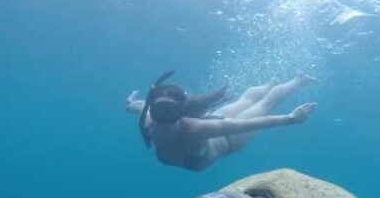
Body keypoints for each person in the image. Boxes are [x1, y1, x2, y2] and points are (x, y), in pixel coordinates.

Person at [126, 71, 317, 171]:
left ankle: (298, 80)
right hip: (214, 122)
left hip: (229, 140)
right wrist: (130, 104)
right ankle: (269, 84)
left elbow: (249, 124)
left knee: (263, 104)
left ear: (180, 113)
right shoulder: (147, 117)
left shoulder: (196, 128)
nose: (165, 121)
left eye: (172, 113)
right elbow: (138, 105)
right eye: (161, 112)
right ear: (152, 110)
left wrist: (290, 118)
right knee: (246, 100)